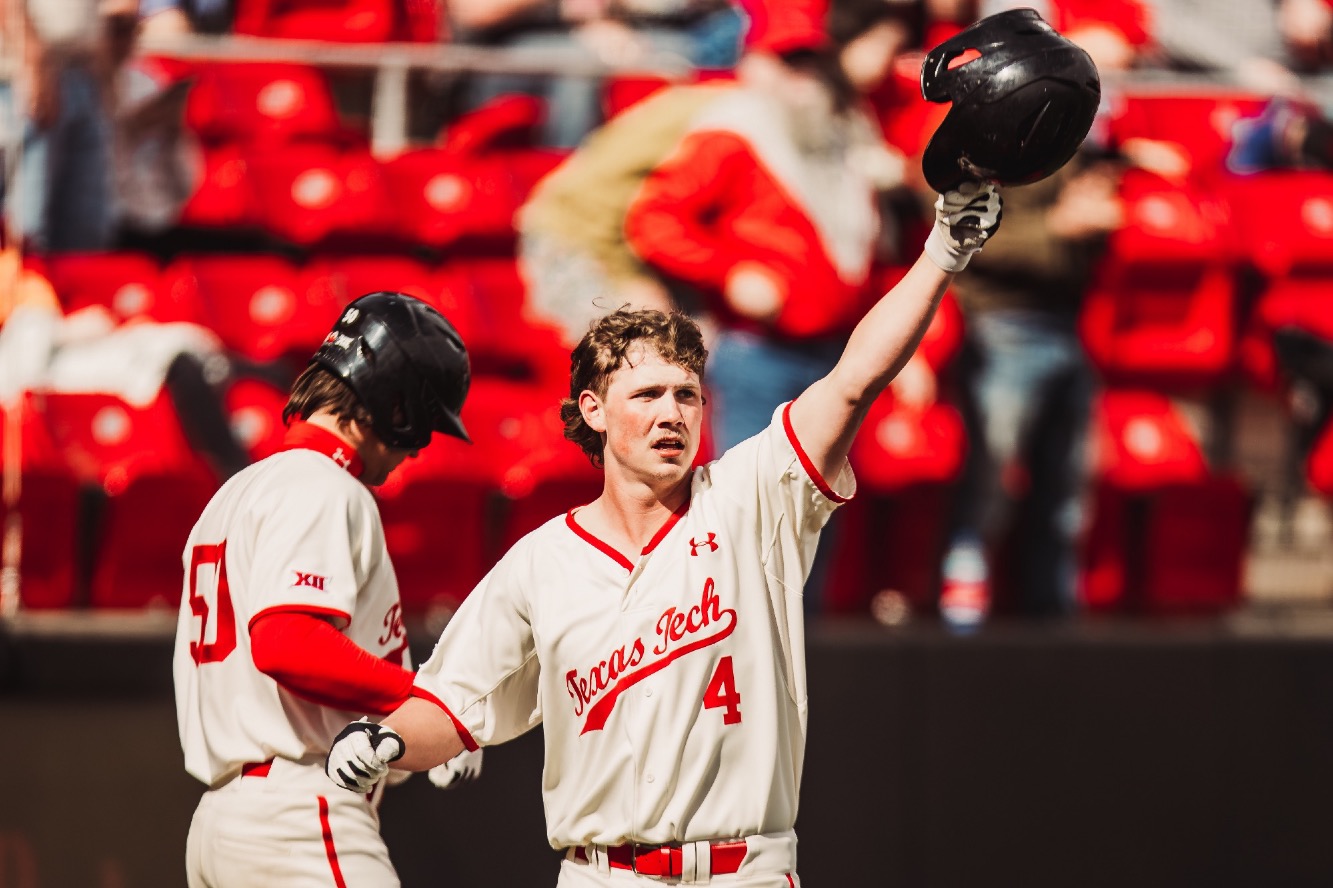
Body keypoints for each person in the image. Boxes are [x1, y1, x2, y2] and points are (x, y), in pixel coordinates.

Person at [324, 181, 1002, 885]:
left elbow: (854, 379)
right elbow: (451, 707)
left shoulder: (751, 500)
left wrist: (939, 254)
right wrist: (389, 741)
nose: (671, 412)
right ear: (591, 410)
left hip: (746, 870)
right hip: (603, 873)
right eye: (646, 395)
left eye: (686, 394)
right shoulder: (541, 562)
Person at [172, 292, 482, 888]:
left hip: (225, 821)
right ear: (396, 406)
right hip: (297, 814)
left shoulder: (236, 493)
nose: (420, 446)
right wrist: (431, 701)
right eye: (424, 419)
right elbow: (287, 642)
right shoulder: (323, 487)